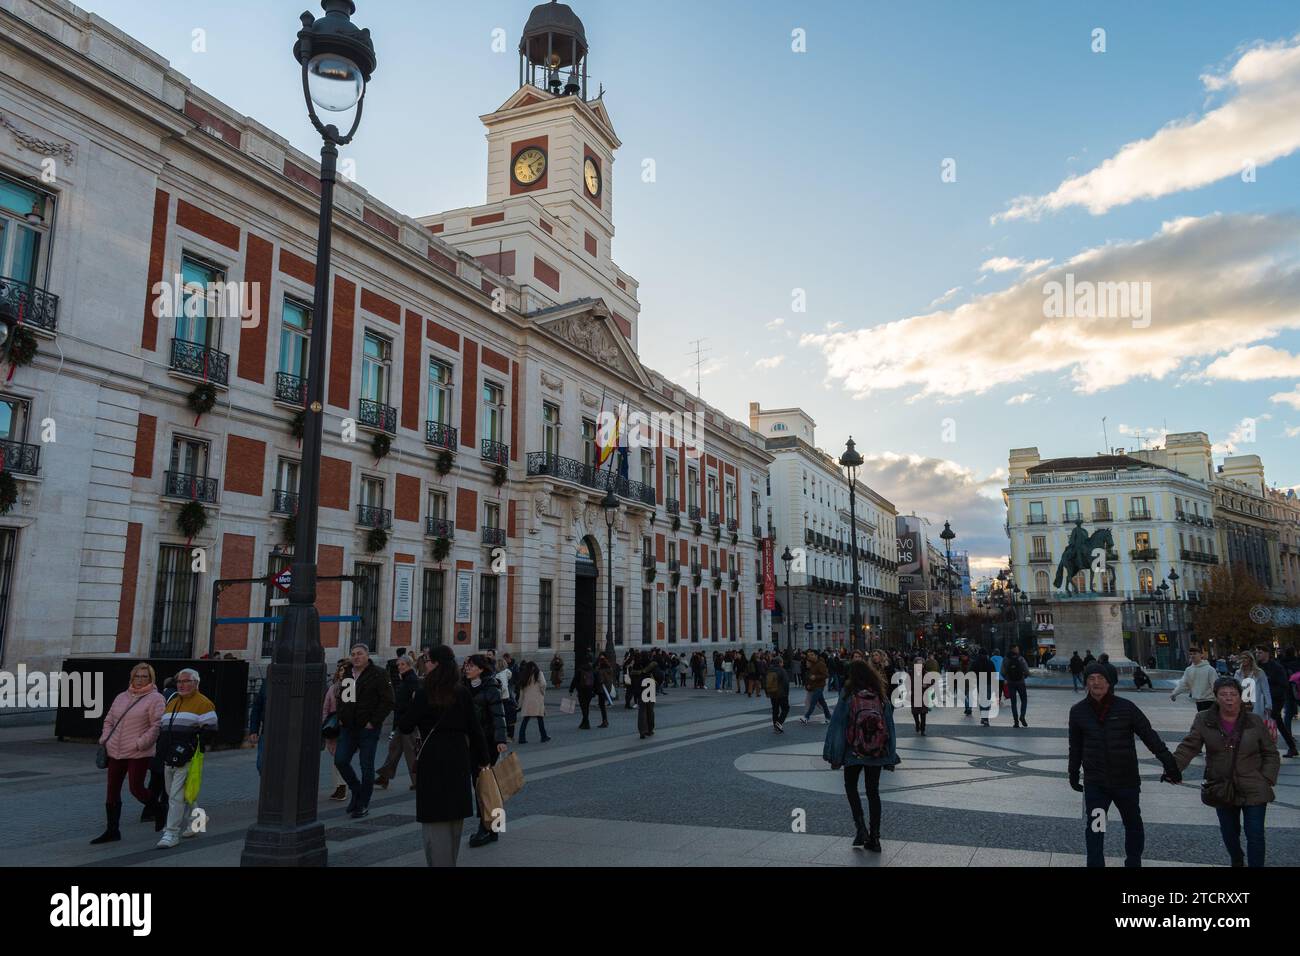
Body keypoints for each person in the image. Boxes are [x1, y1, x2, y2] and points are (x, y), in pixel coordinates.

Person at [1067, 663, 1181, 867]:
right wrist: (1073, 773)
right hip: (1097, 784)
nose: (1096, 682)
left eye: (1101, 678)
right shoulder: (1078, 712)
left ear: (1110, 682)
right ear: (1086, 683)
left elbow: (1149, 736)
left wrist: (1169, 763)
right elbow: (1075, 746)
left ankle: (1134, 862)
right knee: (1096, 827)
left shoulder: (1126, 708)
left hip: (1126, 782)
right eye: (1091, 678)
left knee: (1133, 824)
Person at [1170, 676, 1278, 867]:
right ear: (1216, 697)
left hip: (1254, 785)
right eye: (1224, 694)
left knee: (1255, 834)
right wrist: (1174, 768)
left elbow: (1270, 752)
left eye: (1233, 694)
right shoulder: (1204, 719)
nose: (1229, 698)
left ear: (1240, 697)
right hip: (1221, 784)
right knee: (1229, 833)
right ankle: (1237, 859)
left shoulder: (1254, 720)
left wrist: (1266, 778)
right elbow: (1189, 746)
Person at [400, 645, 490, 867]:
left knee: (434, 821)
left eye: (428, 660)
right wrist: (484, 761)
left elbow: (405, 725)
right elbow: (475, 730)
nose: (425, 664)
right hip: (459, 756)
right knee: (453, 819)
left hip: (432, 758)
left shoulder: (423, 693)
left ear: (436, 664)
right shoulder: (462, 692)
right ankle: (450, 861)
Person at [823, 659, 899, 852]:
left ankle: (861, 828)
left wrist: (835, 755)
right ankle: (875, 837)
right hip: (877, 751)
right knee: (873, 792)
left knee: (850, 786)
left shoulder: (848, 695)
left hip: (853, 751)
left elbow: (838, 725)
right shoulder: (880, 695)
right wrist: (891, 755)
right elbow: (890, 726)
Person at [91, 663, 165, 844]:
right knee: (112, 789)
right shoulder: (121, 697)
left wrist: (141, 743)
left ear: (151, 679)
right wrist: (105, 738)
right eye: (137, 676)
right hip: (115, 749)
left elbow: (157, 724)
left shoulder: (156, 698)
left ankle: (160, 809)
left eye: (144, 676)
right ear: (132, 677)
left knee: (136, 788)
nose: (140, 680)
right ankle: (112, 830)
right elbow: (109, 719)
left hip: (138, 752)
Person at [155, 668, 218, 849]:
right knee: (177, 793)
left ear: (196, 683)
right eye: (179, 682)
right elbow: (163, 726)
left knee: (175, 796)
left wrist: (192, 747)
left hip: (187, 757)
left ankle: (171, 832)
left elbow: (211, 729)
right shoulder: (173, 702)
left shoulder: (203, 703)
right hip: (169, 755)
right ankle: (198, 819)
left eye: (186, 681)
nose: (182, 685)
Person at [334, 643, 394, 820]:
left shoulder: (379, 674)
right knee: (341, 760)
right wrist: (341, 716)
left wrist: (373, 722)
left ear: (367, 656)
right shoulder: (348, 674)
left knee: (366, 765)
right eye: (353, 654)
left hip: (368, 729)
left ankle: (363, 803)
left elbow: (388, 701)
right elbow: (345, 698)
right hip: (348, 727)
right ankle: (356, 789)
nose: (356, 657)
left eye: (359, 654)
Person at [463, 654, 509, 848]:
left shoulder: (491, 688)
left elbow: (498, 714)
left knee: (486, 786)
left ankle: (489, 827)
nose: (467, 669)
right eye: (466, 665)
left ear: (481, 669)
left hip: (488, 743)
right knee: (479, 785)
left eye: (471, 666)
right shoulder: (464, 688)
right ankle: (492, 827)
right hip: (471, 742)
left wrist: (500, 740)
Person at [376, 654, 421, 791]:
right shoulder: (406, 679)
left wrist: (409, 720)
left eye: (403, 665)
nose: (400, 667)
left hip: (408, 723)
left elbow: (413, 702)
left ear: (409, 665)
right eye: (398, 665)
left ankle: (418, 780)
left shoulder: (412, 680)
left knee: (410, 753)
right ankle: (384, 776)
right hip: (401, 722)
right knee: (394, 750)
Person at [1255, 645, 1298, 758]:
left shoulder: (1276, 667)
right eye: (1257, 652)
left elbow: (1283, 684)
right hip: (1261, 699)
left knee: (1276, 721)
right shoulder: (1257, 667)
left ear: (1267, 653)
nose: (1257, 654)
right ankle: (1290, 747)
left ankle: (1288, 747)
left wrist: (1269, 695)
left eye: (1260, 652)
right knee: (1272, 722)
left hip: (1275, 699)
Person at [322, 658, 349, 800]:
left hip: (345, 727)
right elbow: (325, 708)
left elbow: (351, 708)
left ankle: (342, 786)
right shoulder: (332, 688)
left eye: (345, 670)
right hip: (333, 727)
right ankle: (340, 786)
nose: (342, 673)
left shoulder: (350, 687)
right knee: (337, 759)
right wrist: (325, 723)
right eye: (341, 670)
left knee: (341, 758)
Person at [1170, 645, 1216, 712]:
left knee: (1208, 720)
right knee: (1202, 720)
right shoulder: (1189, 670)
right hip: (1198, 701)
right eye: (1191, 654)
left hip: (1210, 700)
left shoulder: (1209, 669)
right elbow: (1184, 683)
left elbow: (1214, 685)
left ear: (1201, 655)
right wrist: (1174, 693)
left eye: (1195, 654)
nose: (1192, 656)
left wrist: (1219, 699)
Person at [569, 652, 608, 729]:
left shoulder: (580, 669)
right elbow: (597, 681)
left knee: (584, 707)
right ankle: (584, 722)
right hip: (590, 690)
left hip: (581, 690)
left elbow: (575, 680)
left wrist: (571, 689)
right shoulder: (592, 670)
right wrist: (596, 691)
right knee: (586, 705)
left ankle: (586, 722)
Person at [517, 661, 551, 744]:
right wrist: (542, 692)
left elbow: (521, 691)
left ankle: (521, 738)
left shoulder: (525, 675)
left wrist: (520, 703)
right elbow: (543, 684)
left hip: (527, 701)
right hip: (537, 699)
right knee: (540, 718)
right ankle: (543, 736)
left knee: (525, 719)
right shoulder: (539, 673)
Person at [798, 650, 831, 724]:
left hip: (819, 686)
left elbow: (826, 675)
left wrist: (816, 677)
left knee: (813, 702)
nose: (810, 656)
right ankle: (828, 717)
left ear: (816, 655)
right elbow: (810, 675)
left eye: (812, 655)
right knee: (823, 703)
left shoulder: (821, 664)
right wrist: (809, 684)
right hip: (814, 686)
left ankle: (806, 717)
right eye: (809, 655)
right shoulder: (812, 664)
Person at [1002, 644, 1030, 727]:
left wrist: (1007, 678)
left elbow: (1002, 672)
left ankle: (1016, 722)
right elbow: (1027, 671)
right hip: (1020, 682)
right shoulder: (1020, 658)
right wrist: (1024, 676)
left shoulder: (1006, 659)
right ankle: (1022, 716)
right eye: (1017, 649)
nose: (1018, 650)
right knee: (1024, 700)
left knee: (1013, 703)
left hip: (1011, 683)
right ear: (1015, 650)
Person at [1235, 652, 1271, 717]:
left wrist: (1268, 705)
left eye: (1245, 658)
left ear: (1250, 659)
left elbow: (1266, 689)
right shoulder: (1238, 673)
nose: (1243, 660)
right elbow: (1235, 688)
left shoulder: (1259, 672)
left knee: (1256, 723)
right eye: (1242, 658)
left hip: (1256, 703)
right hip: (1242, 703)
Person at [631, 651, 657, 739]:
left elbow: (632, 677)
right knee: (650, 710)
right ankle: (650, 729)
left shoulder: (636, 665)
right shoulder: (652, 664)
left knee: (642, 710)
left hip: (641, 689)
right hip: (650, 688)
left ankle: (642, 730)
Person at [765, 654, 790, 733]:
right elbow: (786, 683)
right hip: (782, 694)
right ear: (779, 662)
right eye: (782, 662)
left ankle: (775, 727)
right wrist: (786, 694)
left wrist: (767, 692)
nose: (783, 663)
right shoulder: (782, 670)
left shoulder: (769, 670)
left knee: (775, 710)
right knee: (785, 709)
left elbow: (766, 682)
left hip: (772, 693)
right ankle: (779, 723)